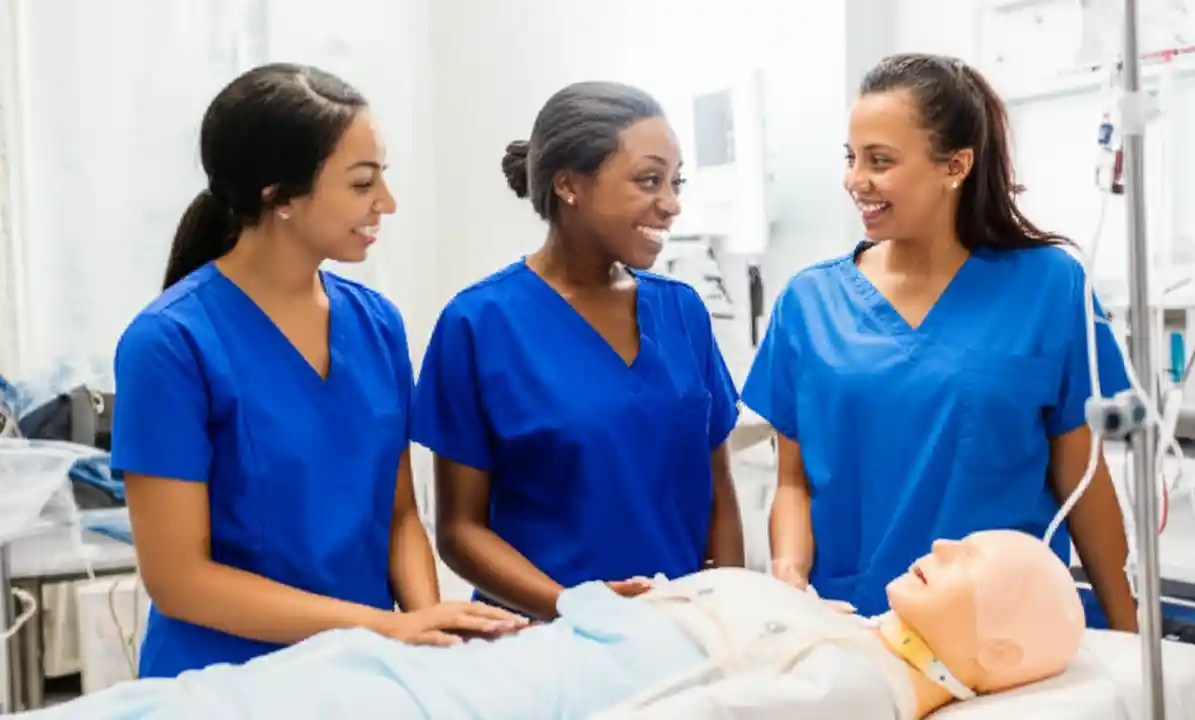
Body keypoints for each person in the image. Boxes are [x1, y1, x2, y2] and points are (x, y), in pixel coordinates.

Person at [111, 63, 523, 679]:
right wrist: (389, 627)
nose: (387, 202)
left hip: (365, 672)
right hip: (223, 686)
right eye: (362, 184)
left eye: (384, 178)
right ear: (277, 196)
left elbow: (400, 516)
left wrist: (429, 627)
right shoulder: (170, 344)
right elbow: (180, 581)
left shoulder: (377, 323)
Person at [742, 53, 1138, 631]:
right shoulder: (808, 303)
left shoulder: (1050, 286)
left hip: (1006, 630)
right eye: (851, 159)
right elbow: (793, 482)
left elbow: (1082, 479)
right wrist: (789, 580)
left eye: (880, 161)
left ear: (955, 165)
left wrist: (1131, 631)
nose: (856, 180)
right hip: (857, 626)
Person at [20, 529, 1085, 720]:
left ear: (991, 656)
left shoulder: (858, 681)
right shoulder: (836, 621)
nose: (939, 548)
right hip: (511, 656)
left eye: (967, 563)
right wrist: (641, 598)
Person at [411, 81, 745, 619]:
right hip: (542, 643)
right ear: (569, 185)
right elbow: (459, 531)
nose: (672, 204)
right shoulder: (479, 323)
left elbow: (718, 492)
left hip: (683, 637)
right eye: (649, 181)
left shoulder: (682, 312)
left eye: (675, 182)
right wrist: (579, 610)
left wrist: (727, 614)